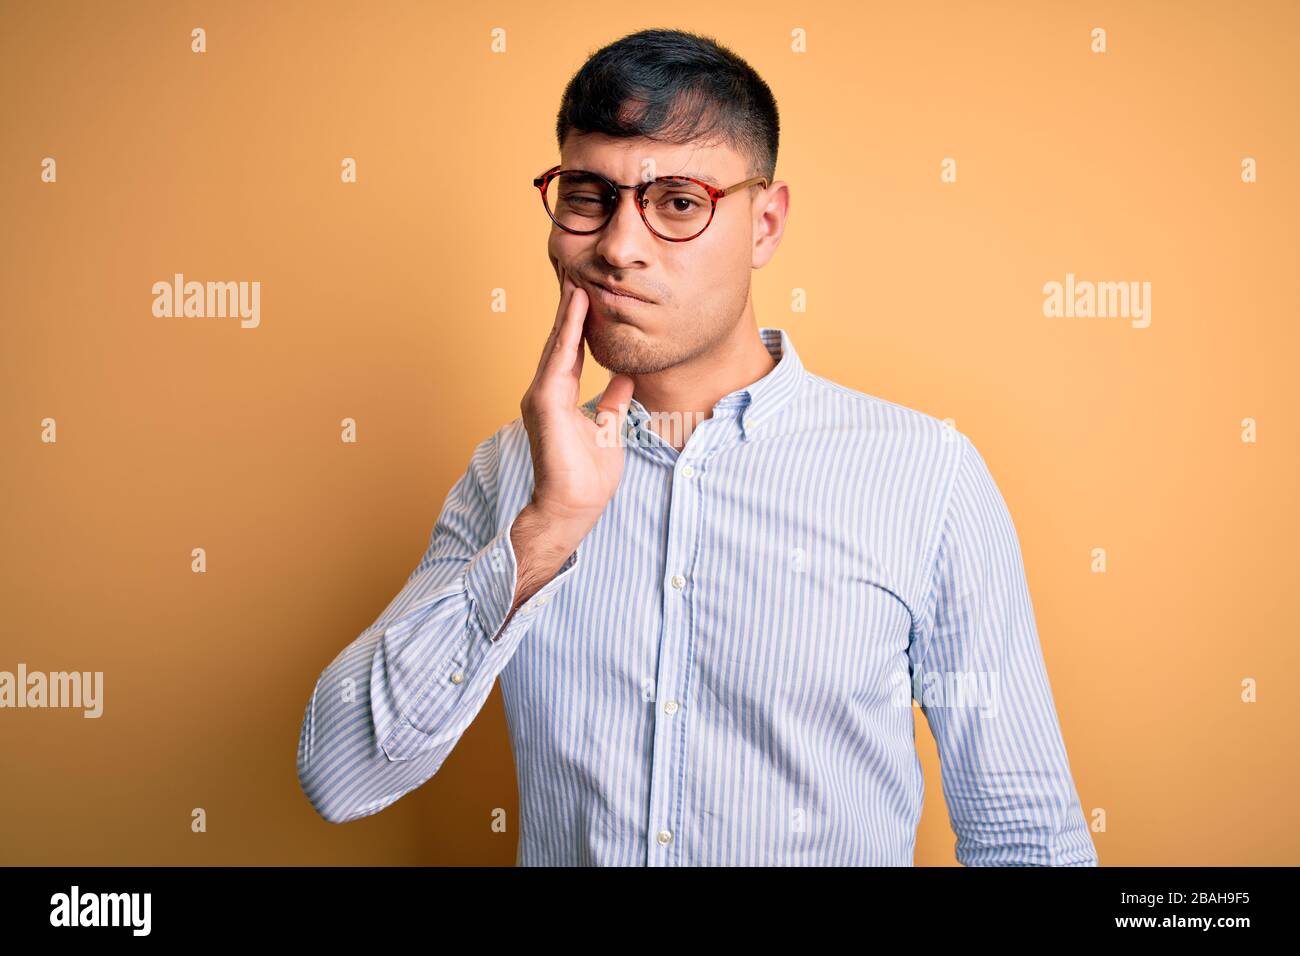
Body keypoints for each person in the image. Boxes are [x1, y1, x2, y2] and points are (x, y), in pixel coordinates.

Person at [296, 27, 1098, 867]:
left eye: (679, 201)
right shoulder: (511, 477)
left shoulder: (926, 475)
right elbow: (340, 777)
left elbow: (1027, 840)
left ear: (765, 224)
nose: (617, 247)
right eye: (587, 195)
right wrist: (544, 535)